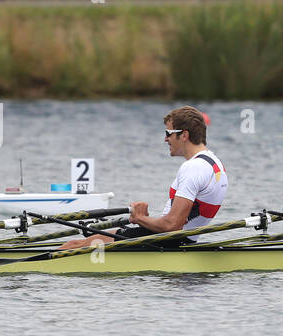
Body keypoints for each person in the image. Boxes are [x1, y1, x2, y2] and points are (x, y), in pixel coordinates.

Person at [59, 106, 227, 250]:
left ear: (184, 135)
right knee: (92, 234)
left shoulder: (193, 168)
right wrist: (145, 220)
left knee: (74, 245)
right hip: (180, 239)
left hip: (165, 241)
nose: (165, 139)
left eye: (168, 133)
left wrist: (140, 218)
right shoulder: (215, 163)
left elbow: (172, 226)